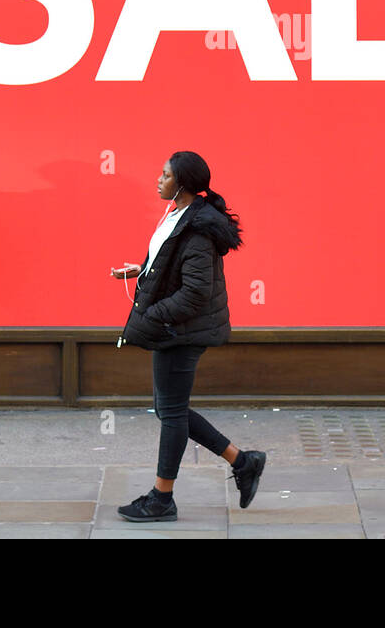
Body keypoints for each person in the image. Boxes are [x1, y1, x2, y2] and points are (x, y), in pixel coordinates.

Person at [113, 151, 265, 522]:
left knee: (171, 412)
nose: (158, 179)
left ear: (182, 183)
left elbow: (196, 291)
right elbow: (173, 266)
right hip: (174, 327)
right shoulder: (180, 215)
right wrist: (143, 269)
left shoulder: (198, 228)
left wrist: (152, 317)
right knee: (170, 409)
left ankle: (162, 497)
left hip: (182, 331)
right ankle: (243, 462)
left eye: (164, 175)